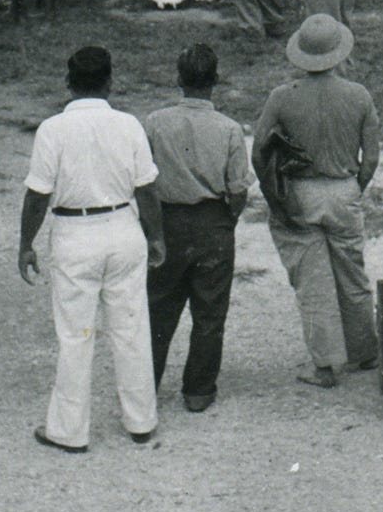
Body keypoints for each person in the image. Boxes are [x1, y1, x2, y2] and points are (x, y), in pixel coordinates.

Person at [16, 46, 166, 452]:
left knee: (76, 335)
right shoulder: (128, 125)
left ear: (68, 83)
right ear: (109, 82)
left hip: (74, 233)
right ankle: (141, 420)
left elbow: (37, 195)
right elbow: (146, 188)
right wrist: (155, 235)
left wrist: (25, 243)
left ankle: (68, 430)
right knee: (132, 328)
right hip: (122, 228)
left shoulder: (52, 130)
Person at [253, 14, 379, 389]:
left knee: (313, 282)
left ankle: (326, 366)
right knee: (352, 273)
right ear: (338, 53)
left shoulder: (282, 97)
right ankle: (363, 351)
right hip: (343, 190)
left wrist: (276, 194)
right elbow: (370, 158)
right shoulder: (359, 95)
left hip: (301, 193)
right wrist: (355, 185)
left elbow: (260, 153)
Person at [143, 44, 250, 414]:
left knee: (158, 308)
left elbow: (142, 178)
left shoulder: (155, 122)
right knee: (210, 311)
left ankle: (145, 387)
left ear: (178, 79)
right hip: (212, 222)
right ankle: (199, 390)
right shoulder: (230, 129)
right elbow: (238, 189)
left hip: (167, 220)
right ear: (215, 81)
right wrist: (226, 219)